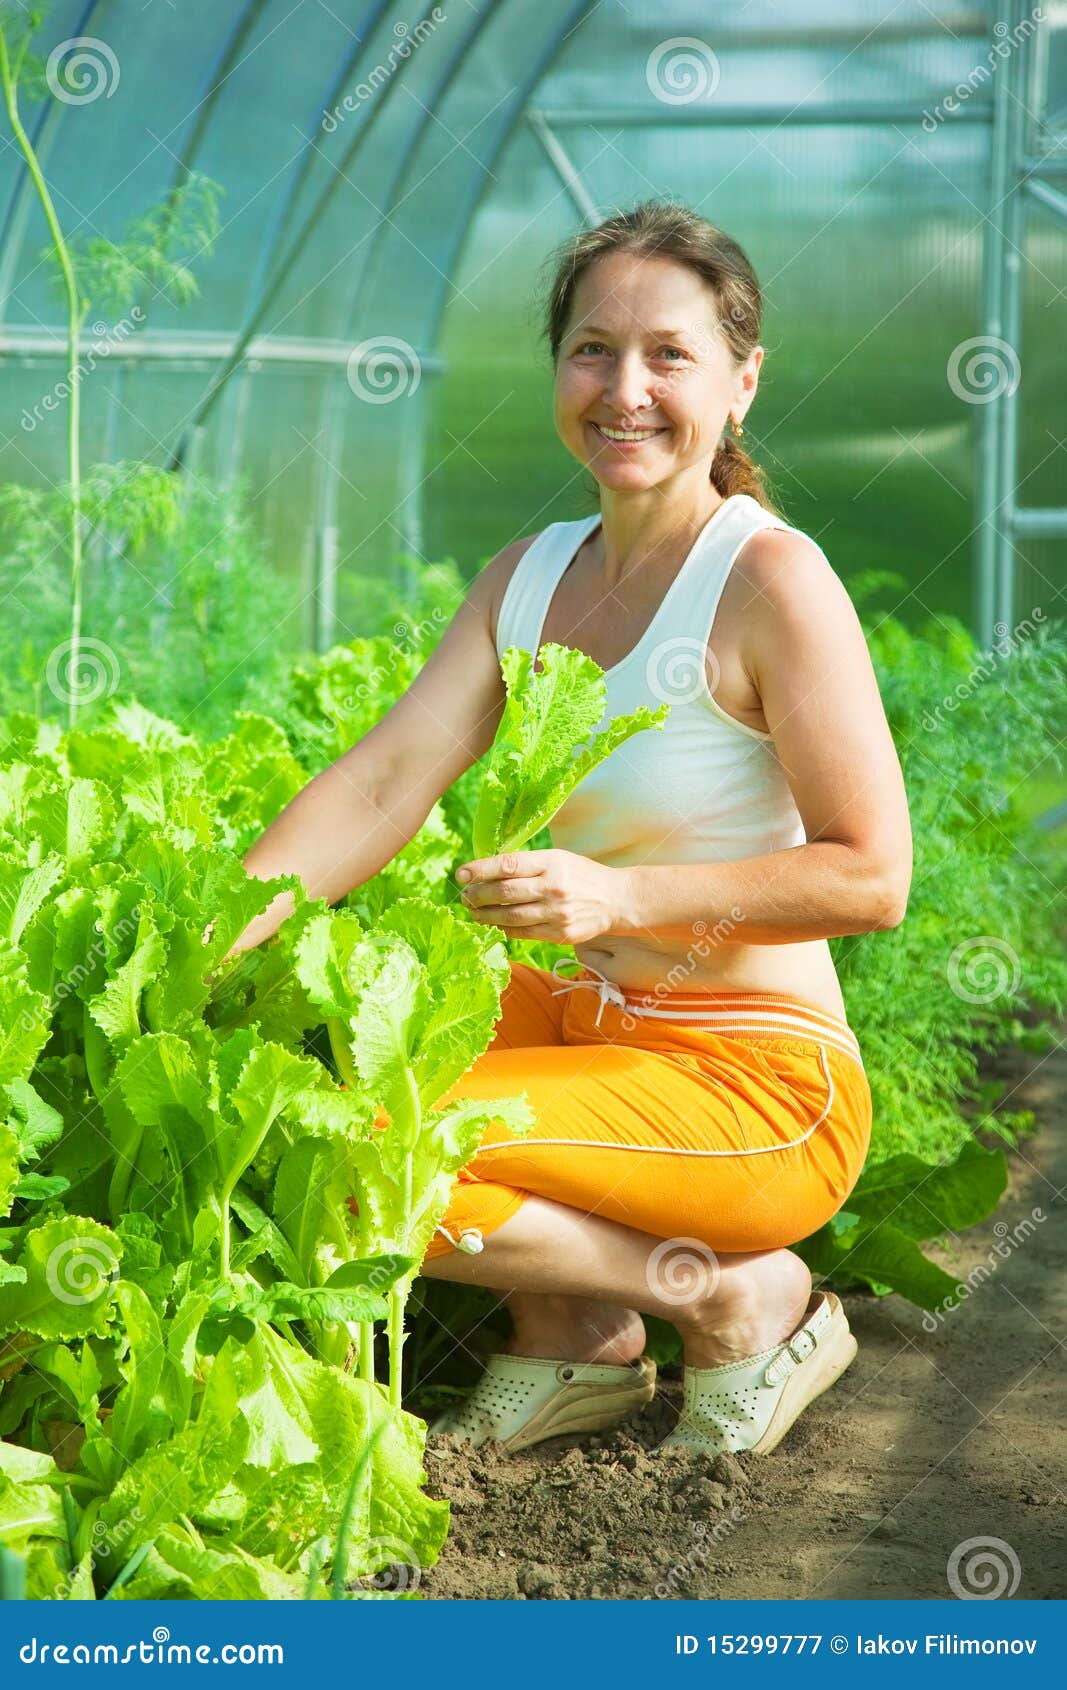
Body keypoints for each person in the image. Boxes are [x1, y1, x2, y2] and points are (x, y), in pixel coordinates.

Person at [229, 200, 911, 1459]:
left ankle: (736, 1292)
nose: (624, 388)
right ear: (557, 370)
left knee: (373, 1150)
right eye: (592, 349)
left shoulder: (768, 581)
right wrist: (216, 931)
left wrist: (620, 899)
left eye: (669, 355)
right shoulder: (526, 575)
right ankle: (575, 1334)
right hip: (587, 1027)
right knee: (308, 1078)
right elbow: (386, 782)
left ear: (740, 381)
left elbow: (871, 876)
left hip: (755, 1079)